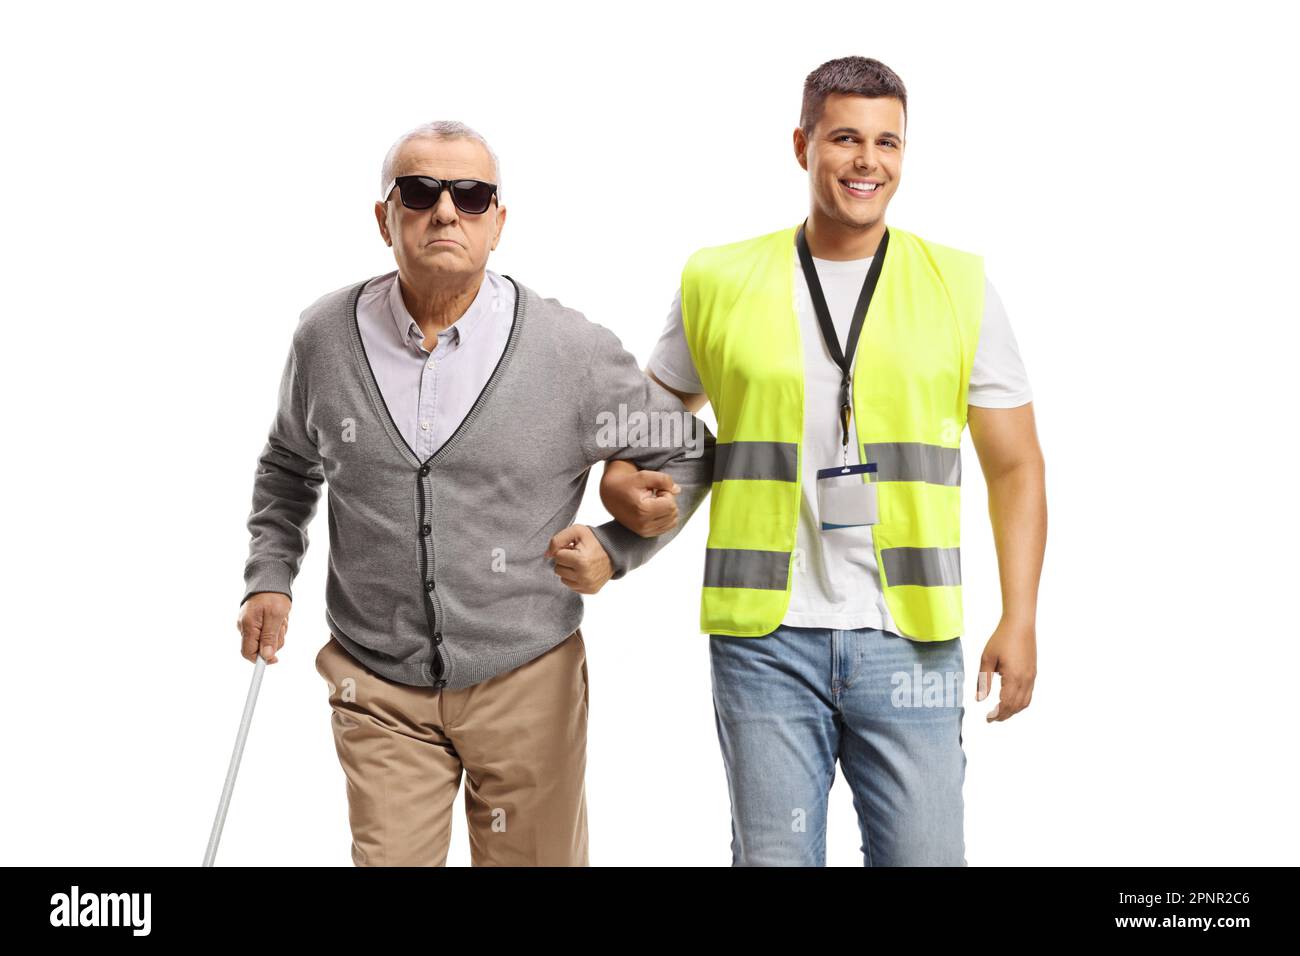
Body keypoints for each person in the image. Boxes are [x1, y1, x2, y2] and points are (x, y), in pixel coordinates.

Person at [602, 57, 1047, 866]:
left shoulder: (961, 286)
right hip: (764, 640)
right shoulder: (717, 279)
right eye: (845, 137)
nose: (867, 160)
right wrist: (618, 488)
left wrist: (1020, 615)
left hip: (908, 638)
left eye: (887, 142)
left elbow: (1015, 465)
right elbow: (648, 429)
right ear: (803, 144)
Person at [236, 120, 713, 866]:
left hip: (529, 681)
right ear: (384, 217)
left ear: (498, 221)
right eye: (420, 192)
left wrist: (619, 551)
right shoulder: (324, 339)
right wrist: (269, 577)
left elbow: (687, 450)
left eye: (471, 194)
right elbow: (288, 465)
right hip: (378, 685)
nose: (445, 211)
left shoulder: (570, 354)